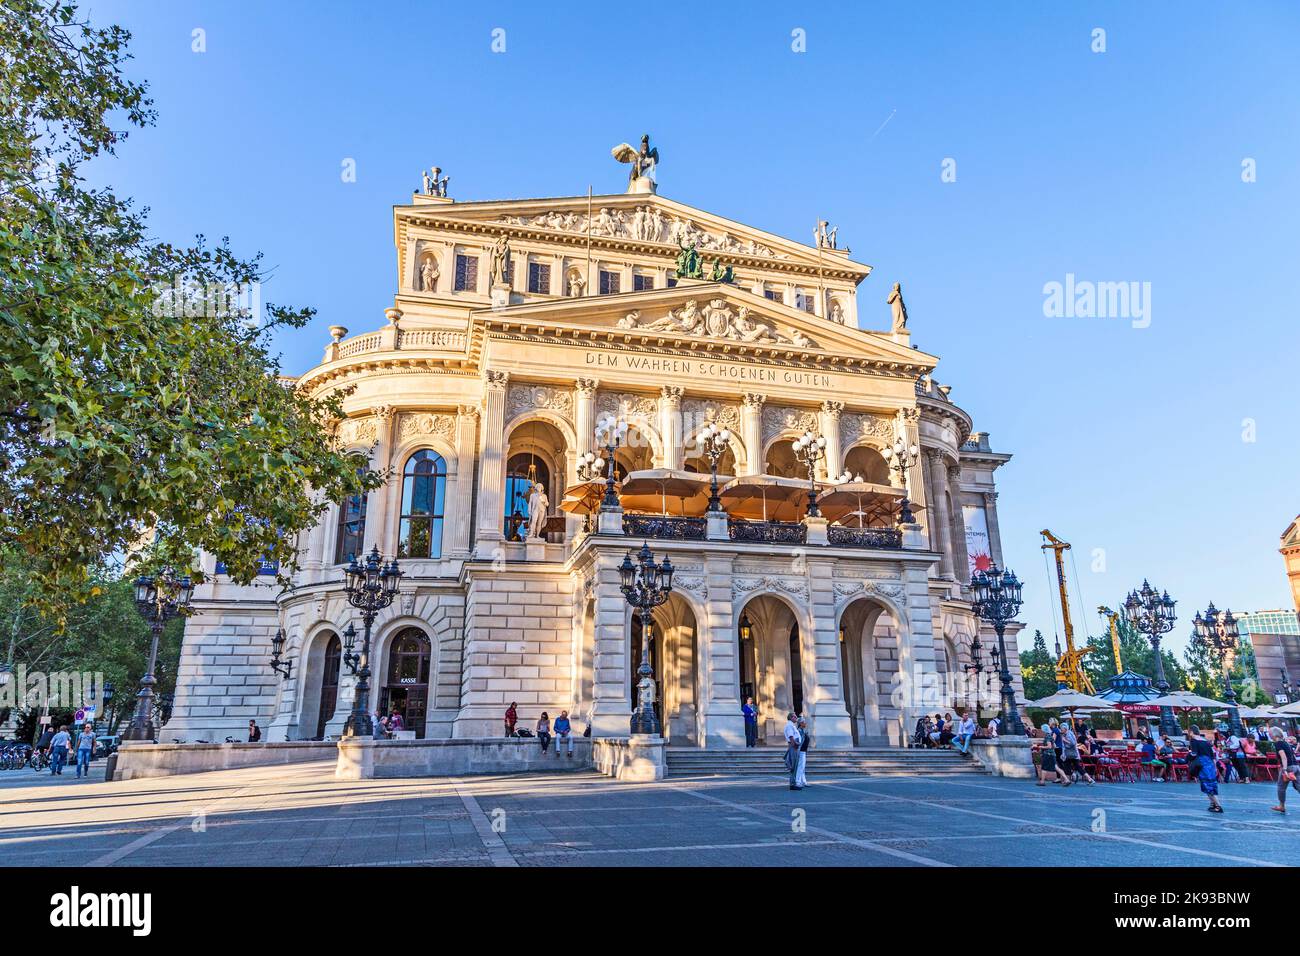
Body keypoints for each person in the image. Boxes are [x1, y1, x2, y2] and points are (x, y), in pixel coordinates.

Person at [1187, 725, 1223, 813]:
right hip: (1209, 763)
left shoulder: (1194, 740)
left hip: (1202, 763)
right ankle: (1212, 804)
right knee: (1211, 783)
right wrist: (1214, 766)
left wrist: (1187, 757)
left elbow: (1194, 753)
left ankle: (1218, 805)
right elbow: (1212, 754)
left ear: (1191, 731)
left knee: (1206, 784)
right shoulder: (1205, 741)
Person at [1269, 726, 1300, 813]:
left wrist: (1285, 769)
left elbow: (1283, 757)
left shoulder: (1278, 744)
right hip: (1296, 766)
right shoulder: (1286, 743)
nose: (1269, 735)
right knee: (1298, 786)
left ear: (1274, 735)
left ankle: (1281, 806)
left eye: (1270, 733)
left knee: (1281, 787)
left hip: (1288, 767)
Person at [784, 711, 802, 790]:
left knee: (795, 765)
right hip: (794, 746)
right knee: (793, 765)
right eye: (795, 717)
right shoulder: (789, 725)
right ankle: (792, 784)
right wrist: (795, 745)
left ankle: (793, 783)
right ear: (791, 718)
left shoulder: (791, 725)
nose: (796, 718)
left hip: (794, 745)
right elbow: (791, 737)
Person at [795, 716, 811, 788]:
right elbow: (799, 741)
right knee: (800, 767)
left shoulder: (803, 730)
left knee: (802, 767)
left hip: (804, 751)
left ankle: (803, 781)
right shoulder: (799, 731)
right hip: (801, 751)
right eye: (804, 722)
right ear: (801, 723)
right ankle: (798, 782)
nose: (805, 723)